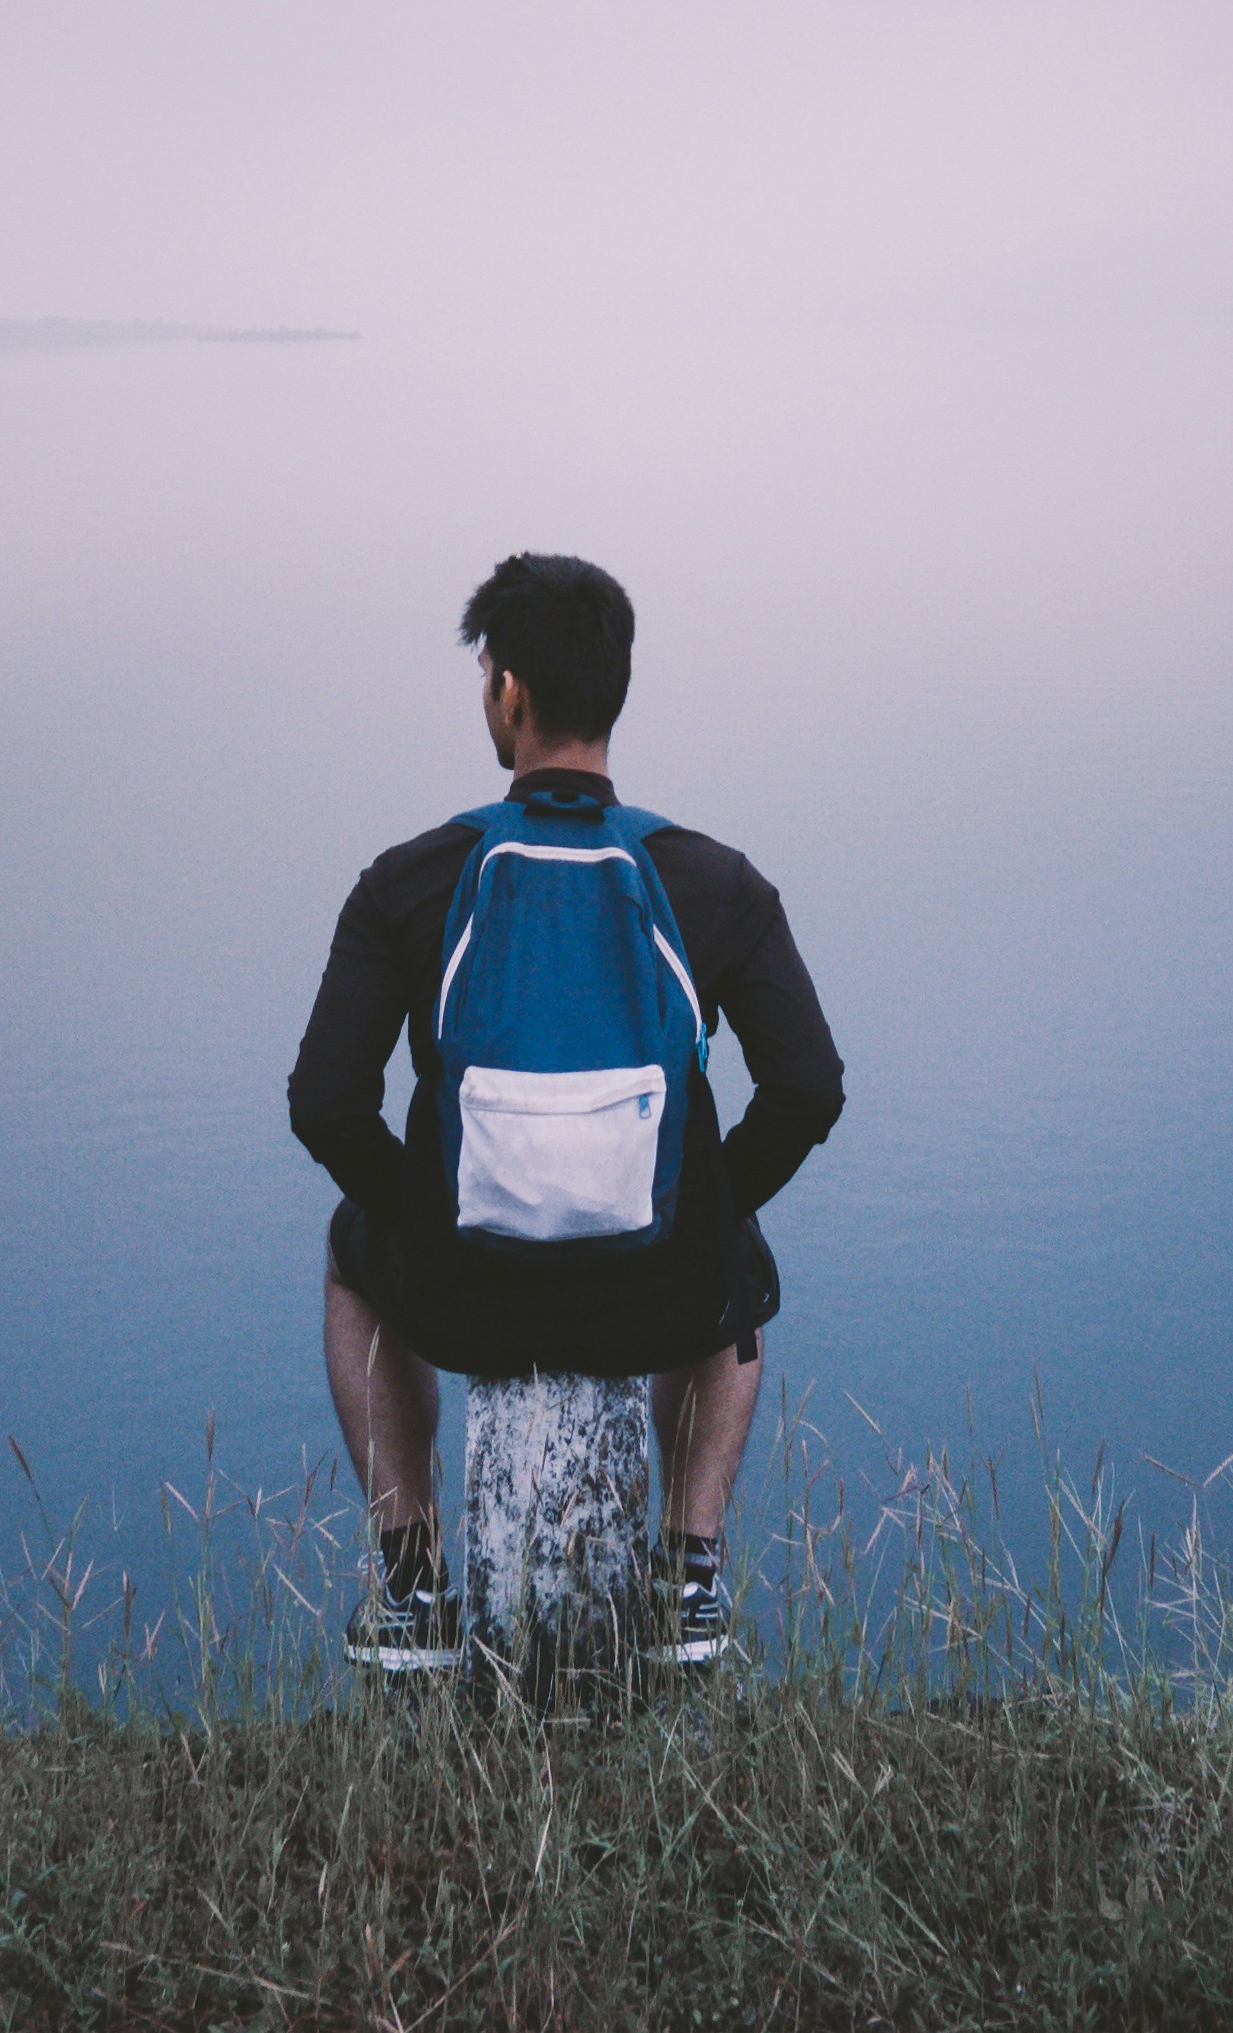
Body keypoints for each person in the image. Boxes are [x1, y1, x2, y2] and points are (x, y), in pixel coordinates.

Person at [287, 552, 846, 1671]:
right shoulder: (711, 880)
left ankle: (408, 1587)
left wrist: (420, 1208)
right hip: (658, 1296)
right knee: (740, 1261)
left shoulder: (408, 881)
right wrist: (705, 1201)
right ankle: (686, 1577)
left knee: (352, 1264)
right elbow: (807, 1088)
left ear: (509, 693)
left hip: (462, 1295)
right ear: (614, 688)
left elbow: (324, 1101)